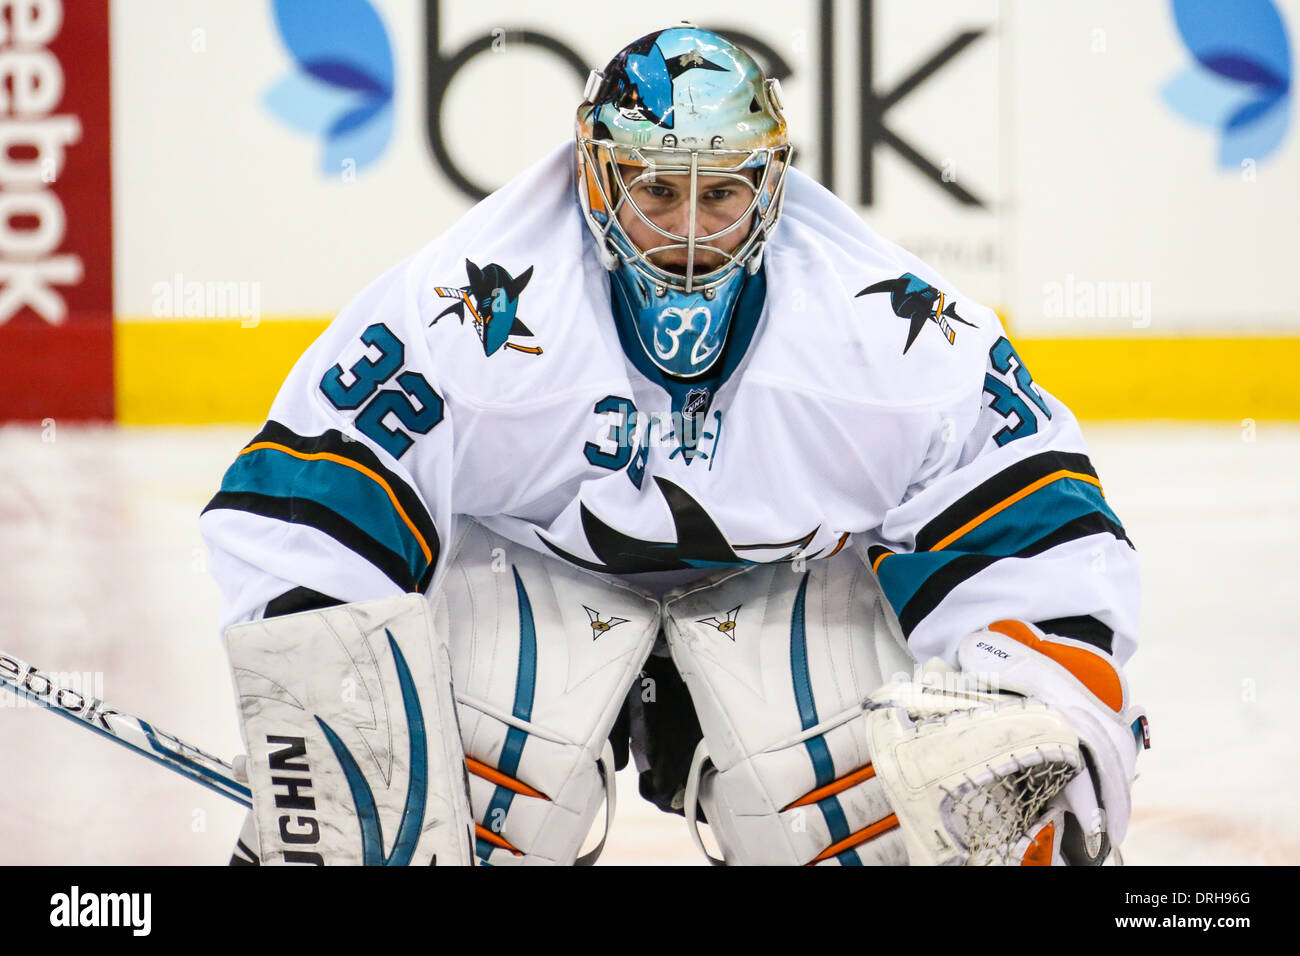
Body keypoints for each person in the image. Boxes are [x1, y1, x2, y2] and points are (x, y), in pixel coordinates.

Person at [202, 25, 1147, 867]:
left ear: (770, 188)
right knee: (485, 755)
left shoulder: (884, 332)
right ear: (597, 177)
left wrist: (1044, 697)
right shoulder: (477, 310)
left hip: (787, 601)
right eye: (656, 188)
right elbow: (317, 492)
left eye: (721, 192)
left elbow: (1026, 517)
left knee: (872, 788)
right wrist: (325, 727)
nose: (689, 234)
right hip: (525, 587)